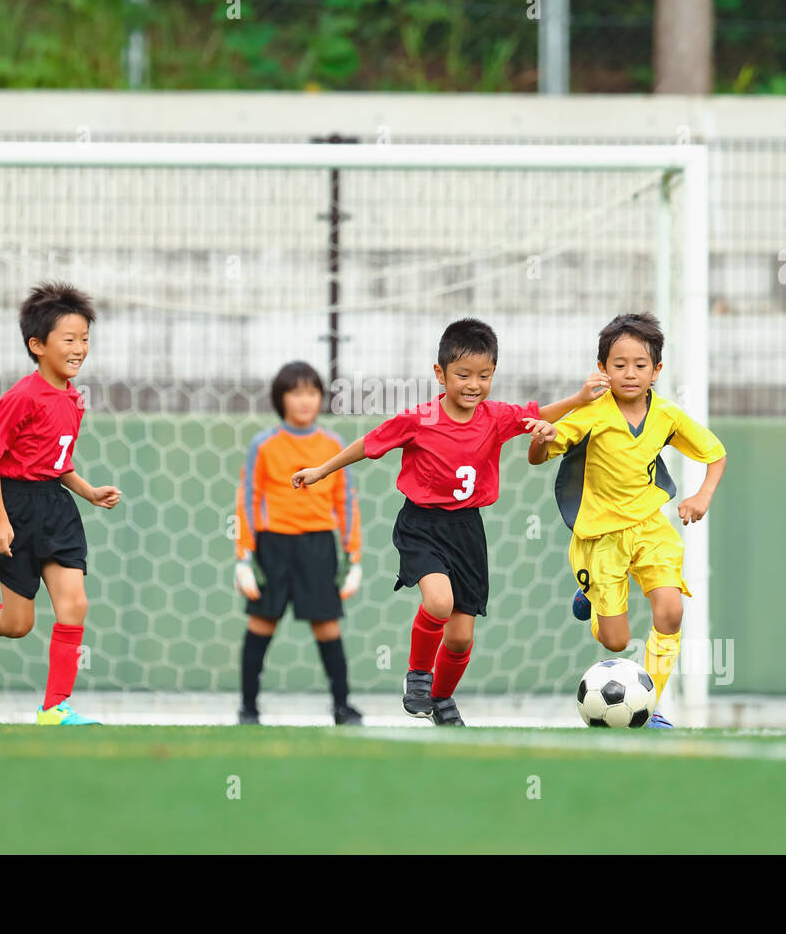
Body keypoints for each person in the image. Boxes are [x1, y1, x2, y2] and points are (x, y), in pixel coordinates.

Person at [292, 317, 600, 726]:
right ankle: (418, 675)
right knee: (438, 602)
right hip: (422, 525)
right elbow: (369, 444)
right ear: (440, 374)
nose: (474, 384)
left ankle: (442, 700)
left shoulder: (494, 416)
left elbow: (536, 415)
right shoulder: (418, 419)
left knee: (460, 636)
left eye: (485, 375)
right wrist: (321, 470)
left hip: (468, 530)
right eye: (464, 375)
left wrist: (579, 398)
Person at [0, 282, 121, 725]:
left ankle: (54, 708)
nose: (80, 348)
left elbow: (56, 463)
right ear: (38, 345)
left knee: (75, 605)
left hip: (57, 509)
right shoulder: (21, 397)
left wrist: (88, 492)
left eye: (85, 339)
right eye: (69, 339)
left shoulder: (74, 398)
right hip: (14, 508)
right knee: (18, 624)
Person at [528, 312, 726, 728]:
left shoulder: (668, 415)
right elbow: (540, 454)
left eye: (640, 365)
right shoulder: (590, 413)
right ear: (602, 369)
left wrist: (702, 497)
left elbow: (715, 453)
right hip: (599, 538)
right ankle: (591, 601)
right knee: (616, 640)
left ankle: (648, 706)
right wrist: (540, 439)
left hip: (651, 528)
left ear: (657, 370)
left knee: (670, 613)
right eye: (619, 365)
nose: (630, 374)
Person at [234, 361, 364, 726]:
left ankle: (342, 706)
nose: (305, 400)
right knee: (261, 625)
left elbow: (346, 502)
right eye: (296, 392)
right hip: (272, 547)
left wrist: (354, 559)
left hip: (319, 548)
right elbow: (246, 498)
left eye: (312, 392)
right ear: (281, 399)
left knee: (328, 627)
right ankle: (248, 708)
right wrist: (244, 557)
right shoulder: (264, 444)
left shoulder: (334, 445)